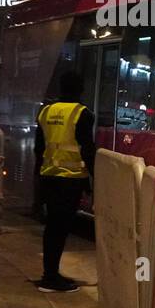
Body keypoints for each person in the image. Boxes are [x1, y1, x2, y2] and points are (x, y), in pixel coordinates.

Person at [34, 72, 96, 293]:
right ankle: (50, 278)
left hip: (48, 176)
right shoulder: (83, 114)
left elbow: (38, 149)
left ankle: (50, 273)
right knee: (60, 229)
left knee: (52, 227)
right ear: (81, 89)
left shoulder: (46, 112)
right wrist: (93, 179)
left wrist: (38, 180)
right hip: (70, 180)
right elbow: (88, 150)